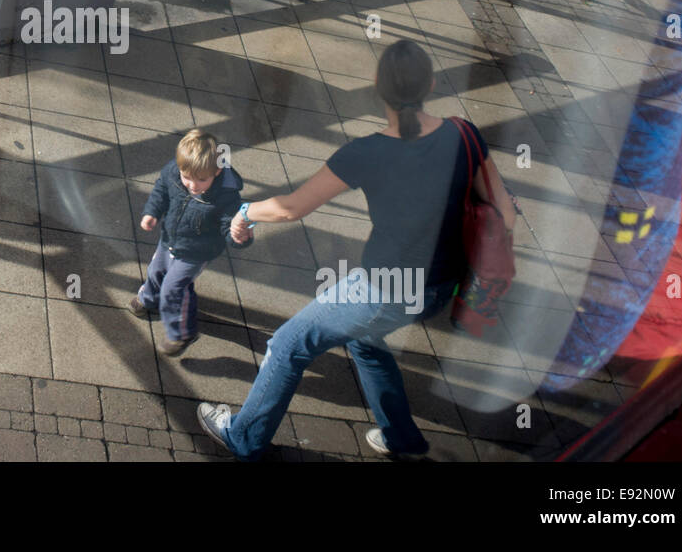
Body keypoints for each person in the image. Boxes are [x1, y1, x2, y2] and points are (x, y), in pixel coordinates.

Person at [198, 39, 516, 460]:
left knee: (288, 345)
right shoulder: (464, 134)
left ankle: (244, 438)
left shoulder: (366, 152)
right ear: (432, 84)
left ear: (377, 87)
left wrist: (246, 211)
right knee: (365, 343)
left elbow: (293, 207)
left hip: (383, 289)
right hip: (442, 286)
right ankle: (403, 441)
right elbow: (507, 215)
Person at [131, 128, 250, 357]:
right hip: (170, 239)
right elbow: (161, 190)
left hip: (196, 252)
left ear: (216, 172)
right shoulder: (174, 172)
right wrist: (152, 212)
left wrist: (238, 237)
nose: (193, 185)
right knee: (156, 270)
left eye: (201, 180)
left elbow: (230, 226)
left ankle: (182, 333)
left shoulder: (226, 197)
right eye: (187, 178)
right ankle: (148, 299)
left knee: (175, 288)